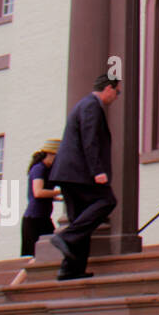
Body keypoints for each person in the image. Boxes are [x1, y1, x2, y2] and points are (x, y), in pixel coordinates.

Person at [48, 76, 120, 280]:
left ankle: (70, 269)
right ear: (108, 88)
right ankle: (67, 237)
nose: (116, 97)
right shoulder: (91, 106)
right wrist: (97, 171)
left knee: (80, 219)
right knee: (107, 201)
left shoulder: (84, 105)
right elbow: (90, 140)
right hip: (78, 172)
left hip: (69, 173)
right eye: (117, 92)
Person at [21, 139, 62, 257]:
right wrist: (59, 192)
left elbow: (45, 195)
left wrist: (58, 198)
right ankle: (19, 277)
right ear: (50, 154)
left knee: (51, 251)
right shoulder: (39, 169)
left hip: (44, 218)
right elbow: (38, 193)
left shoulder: (49, 170)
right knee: (35, 256)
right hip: (34, 219)